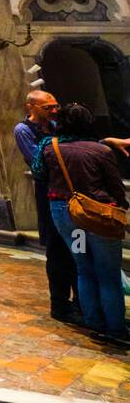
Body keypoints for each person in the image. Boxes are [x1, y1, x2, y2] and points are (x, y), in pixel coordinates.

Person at [32, 103, 128, 347]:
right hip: (97, 215)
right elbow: (115, 186)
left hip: (64, 213)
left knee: (84, 269)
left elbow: (39, 175)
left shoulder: (49, 147)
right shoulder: (100, 151)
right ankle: (115, 329)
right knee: (108, 275)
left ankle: (94, 322)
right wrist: (121, 207)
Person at [13, 90, 79, 324]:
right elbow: (38, 163)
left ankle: (80, 301)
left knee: (76, 249)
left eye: (55, 106)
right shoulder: (24, 130)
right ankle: (60, 304)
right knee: (58, 249)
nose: (53, 111)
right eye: (47, 107)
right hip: (50, 194)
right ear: (30, 106)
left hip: (68, 193)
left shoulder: (56, 125)